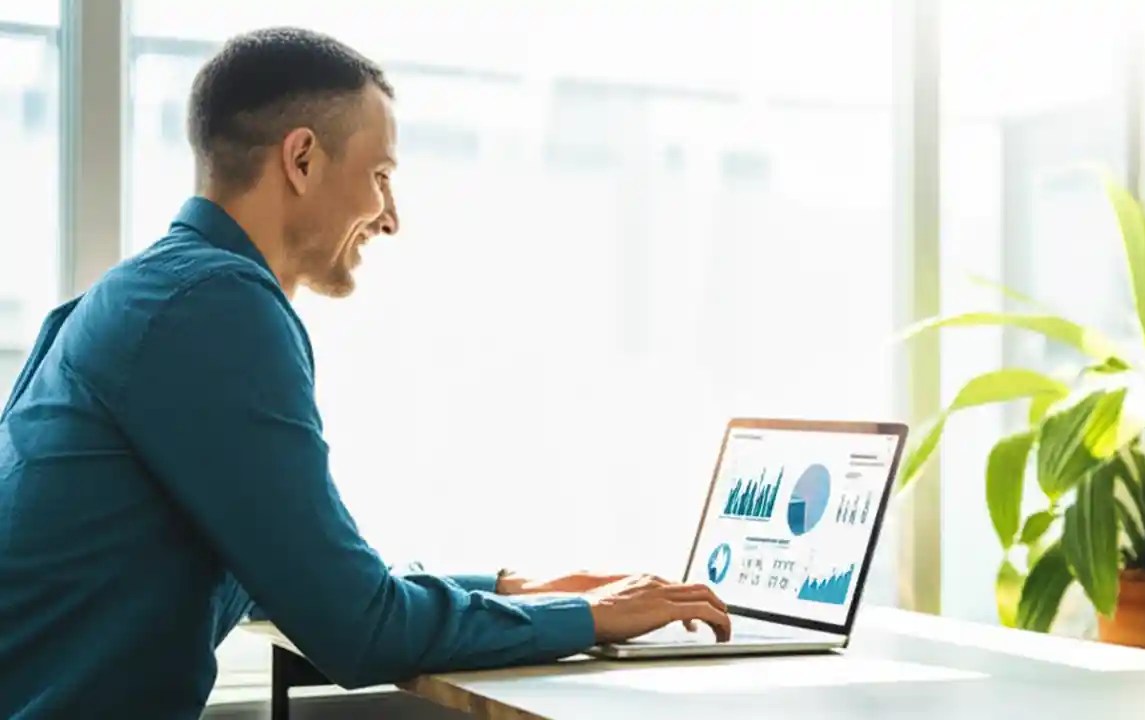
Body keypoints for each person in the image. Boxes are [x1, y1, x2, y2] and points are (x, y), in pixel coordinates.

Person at [0, 27, 730, 718]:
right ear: (303, 159)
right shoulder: (216, 306)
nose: (390, 217)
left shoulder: (134, 298)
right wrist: (587, 617)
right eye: (380, 175)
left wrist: (516, 588)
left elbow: (297, 579)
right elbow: (358, 628)